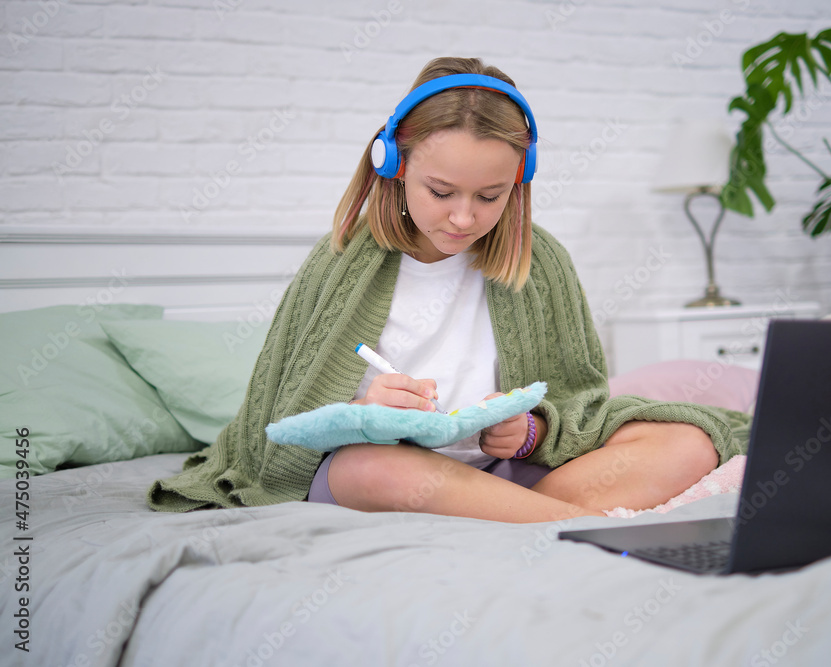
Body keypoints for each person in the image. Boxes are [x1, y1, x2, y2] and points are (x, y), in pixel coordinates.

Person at [148, 57, 750, 522]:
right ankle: (586, 526)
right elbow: (281, 423)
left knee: (686, 441)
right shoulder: (335, 265)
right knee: (369, 467)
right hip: (386, 469)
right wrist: (365, 413)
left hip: (505, 473)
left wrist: (533, 430)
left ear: (520, 181)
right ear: (394, 165)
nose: (464, 217)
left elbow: (580, 401)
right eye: (442, 192)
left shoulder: (543, 263)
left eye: (490, 197)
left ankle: (522, 517)